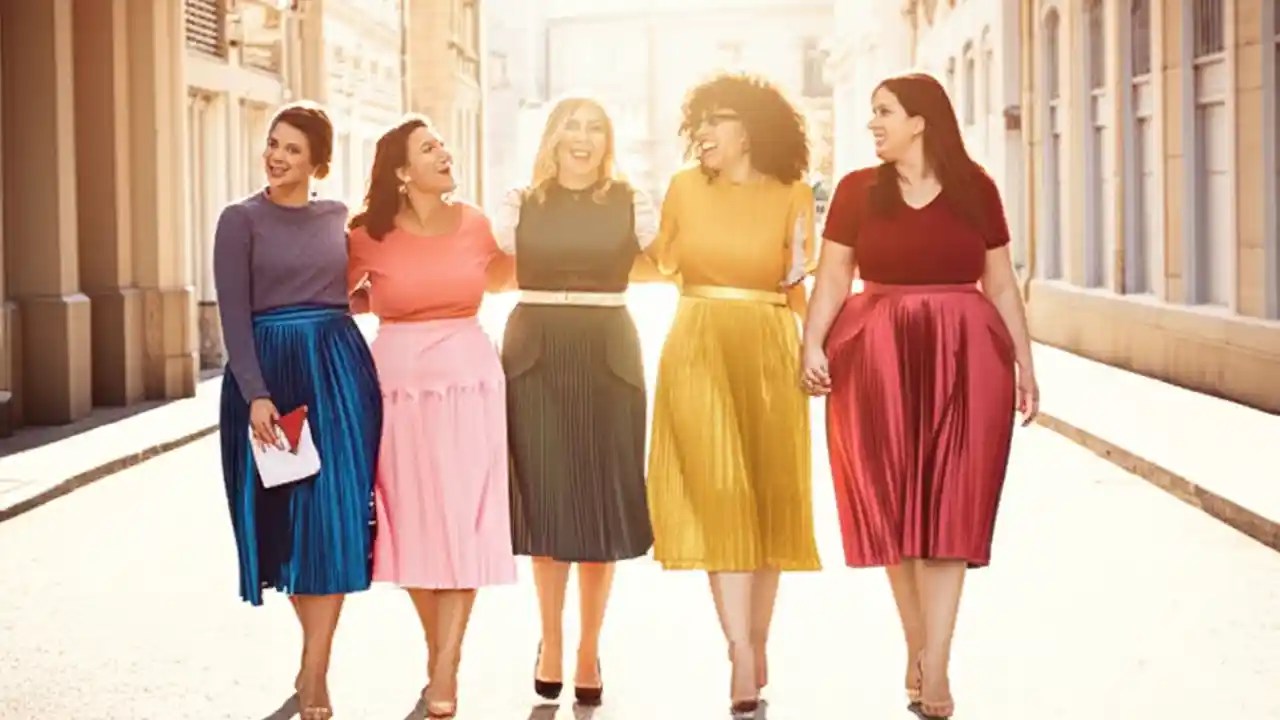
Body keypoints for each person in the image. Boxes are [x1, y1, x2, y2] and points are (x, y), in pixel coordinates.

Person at [800, 73, 1039, 720]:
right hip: (874, 357)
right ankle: (920, 645)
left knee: (950, 514)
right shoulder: (855, 191)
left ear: (921, 120)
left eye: (884, 111)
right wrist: (812, 345)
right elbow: (831, 279)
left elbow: (1001, 284)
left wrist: (1025, 364)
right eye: (872, 111)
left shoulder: (976, 190)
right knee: (893, 512)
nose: (873, 123)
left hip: (969, 356)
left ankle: (936, 664)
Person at [643, 72, 822, 718]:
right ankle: (740, 651)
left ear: (749, 128)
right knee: (721, 496)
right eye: (698, 123)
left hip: (771, 346)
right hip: (697, 344)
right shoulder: (685, 188)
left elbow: (799, 282)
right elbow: (658, 262)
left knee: (768, 502)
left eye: (715, 121)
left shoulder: (794, 194)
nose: (703, 135)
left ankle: (757, 637)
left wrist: (818, 345)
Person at [214, 101, 381, 720]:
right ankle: (313, 663)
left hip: (338, 374)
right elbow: (234, 312)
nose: (277, 156)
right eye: (273, 143)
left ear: (318, 163)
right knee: (288, 520)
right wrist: (256, 390)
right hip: (271, 382)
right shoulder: (239, 220)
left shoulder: (337, 218)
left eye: (292, 149)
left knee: (335, 517)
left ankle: (316, 670)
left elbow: (348, 293)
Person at [347, 114, 516, 719]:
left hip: (470, 381)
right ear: (401, 170)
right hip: (395, 386)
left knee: (464, 520)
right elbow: (336, 296)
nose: (444, 152)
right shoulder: (366, 234)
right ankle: (436, 650)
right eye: (429, 147)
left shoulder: (476, 224)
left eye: (442, 144)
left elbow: (504, 276)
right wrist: (378, 297)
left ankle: (447, 666)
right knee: (412, 521)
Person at [493, 96, 657, 707]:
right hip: (535, 352)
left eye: (595, 127)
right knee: (546, 501)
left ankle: (589, 645)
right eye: (572, 126)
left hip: (608, 350)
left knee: (601, 502)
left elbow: (669, 262)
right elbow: (484, 270)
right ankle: (551, 641)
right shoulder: (520, 203)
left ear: (606, 140)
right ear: (553, 137)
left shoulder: (631, 202)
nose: (582, 137)